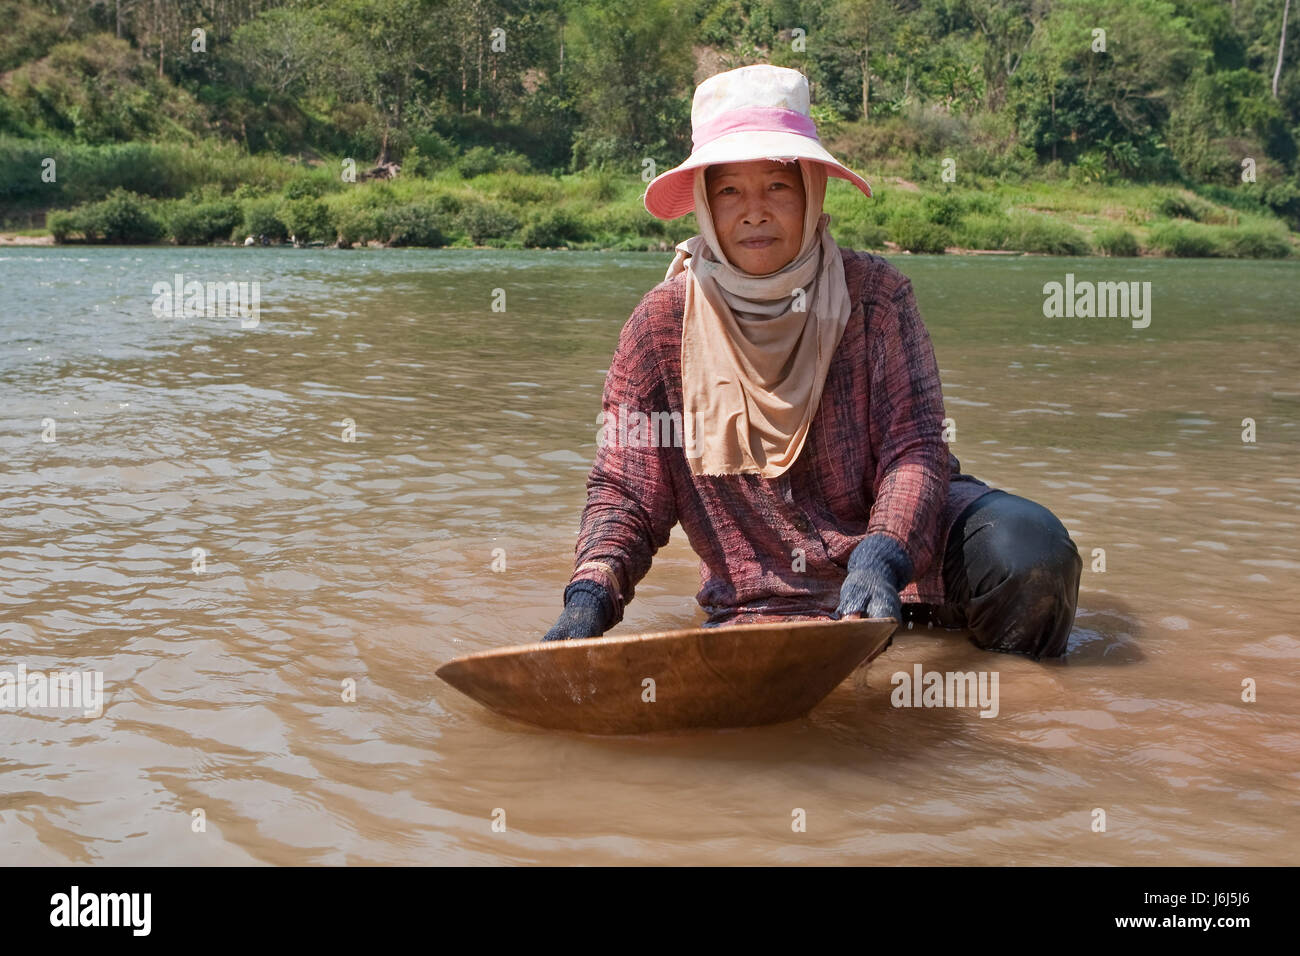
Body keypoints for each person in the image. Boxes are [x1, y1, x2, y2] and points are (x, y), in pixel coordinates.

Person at [543, 64, 1082, 660]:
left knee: (1032, 554)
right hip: (764, 593)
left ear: (810, 193)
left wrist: (881, 557)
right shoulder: (659, 327)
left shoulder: (876, 295)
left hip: (908, 558)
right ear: (704, 203)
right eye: (729, 191)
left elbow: (916, 449)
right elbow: (627, 491)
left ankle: (1005, 695)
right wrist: (588, 600)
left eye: (777, 186)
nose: (754, 212)